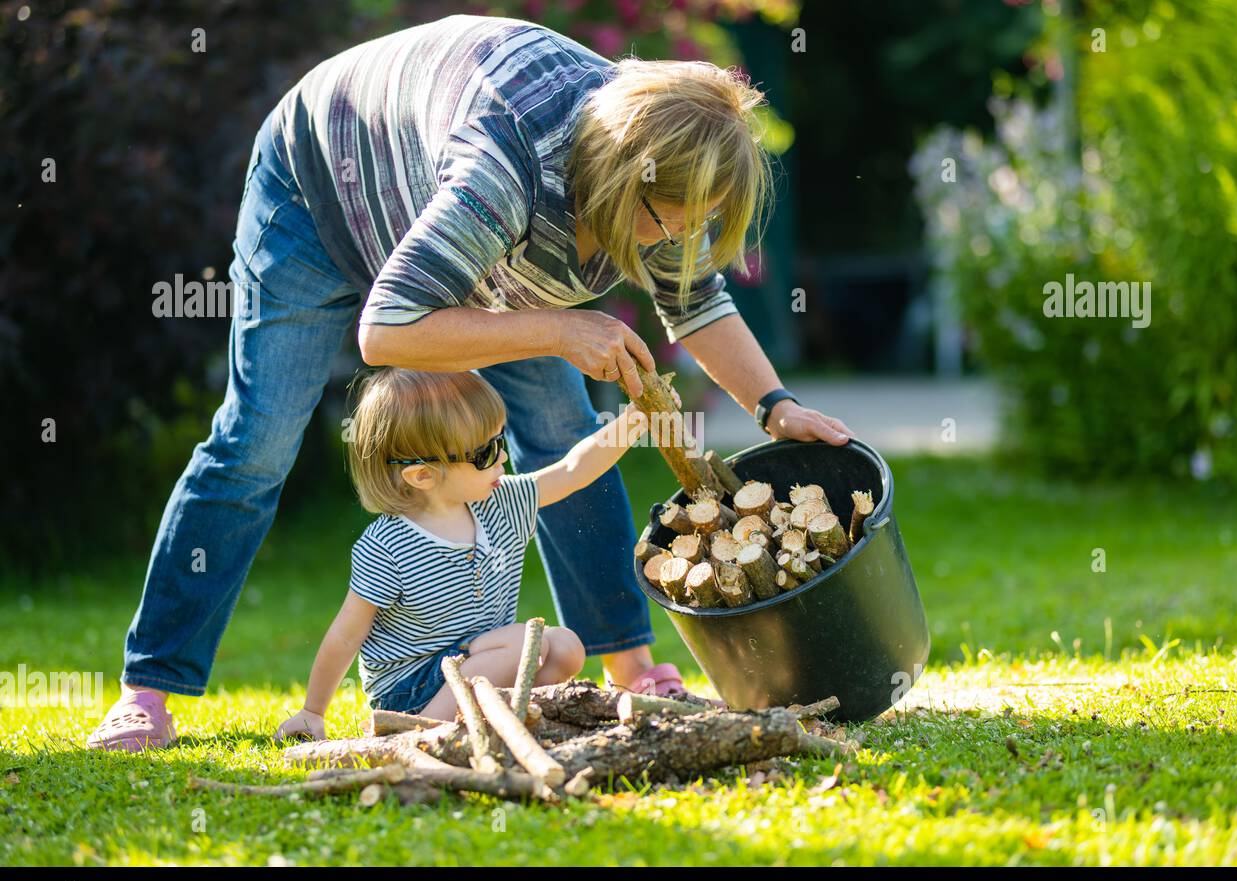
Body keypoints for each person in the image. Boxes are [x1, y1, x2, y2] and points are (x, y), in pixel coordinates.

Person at [88, 13, 853, 752]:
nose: (681, 242)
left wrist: (775, 407)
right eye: (671, 223)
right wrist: (560, 328)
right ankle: (149, 689)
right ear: (622, 180)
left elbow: (696, 302)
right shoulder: (505, 169)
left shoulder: (655, 164)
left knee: (563, 427)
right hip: (315, 191)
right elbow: (386, 331)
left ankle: (632, 669)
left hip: (460, 227)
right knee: (259, 440)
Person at [274, 367, 665, 740]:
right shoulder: (387, 547)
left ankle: (510, 718)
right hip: (414, 691)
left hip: (485, 661)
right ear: (423, 475)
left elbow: (571, 470)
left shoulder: (503, 501)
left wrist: (634, 420)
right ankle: (416, 731)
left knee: (565, 647)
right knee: (526, 644)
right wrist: (313, 710)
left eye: (501, 439)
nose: (502, 458)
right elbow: (345, 635)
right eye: (484, 453)